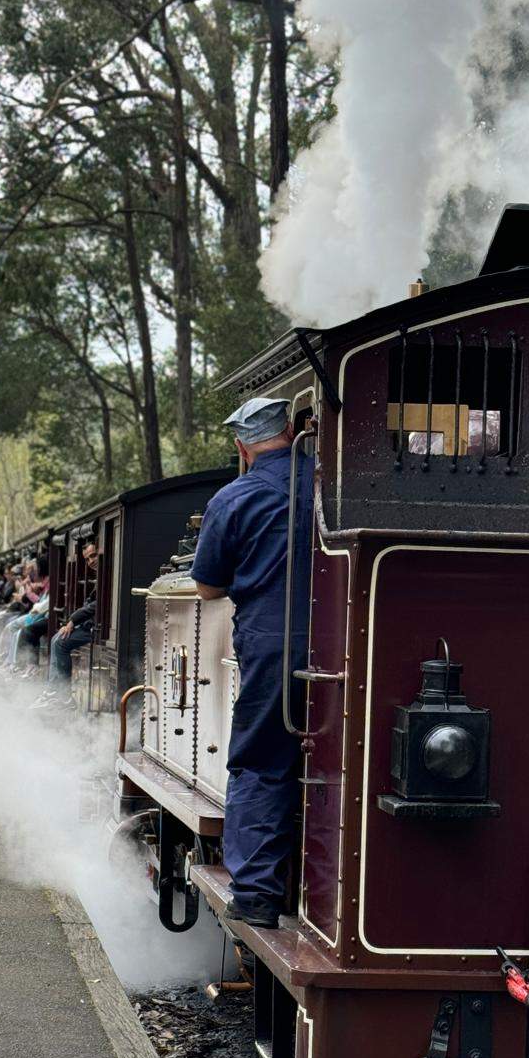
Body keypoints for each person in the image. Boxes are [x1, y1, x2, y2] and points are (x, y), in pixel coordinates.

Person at [191, 396, 313, 929]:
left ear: (242, 446)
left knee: (261, 761)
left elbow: (208, 584)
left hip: (273, 646)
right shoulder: (340, 485)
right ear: (290, 429)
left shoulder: (234, 497)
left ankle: (259, 893)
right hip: (357, 638)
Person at [37, 539, 98, 704]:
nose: (91, 561)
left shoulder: (106, 576)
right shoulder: (100, 576)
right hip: (88, 625)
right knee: (56, 638)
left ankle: (62, 695)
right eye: (87, 559)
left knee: (61, 642)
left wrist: (72, 620)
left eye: (93, 556)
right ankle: (52, 690)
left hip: (97, 629)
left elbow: (95, 606)